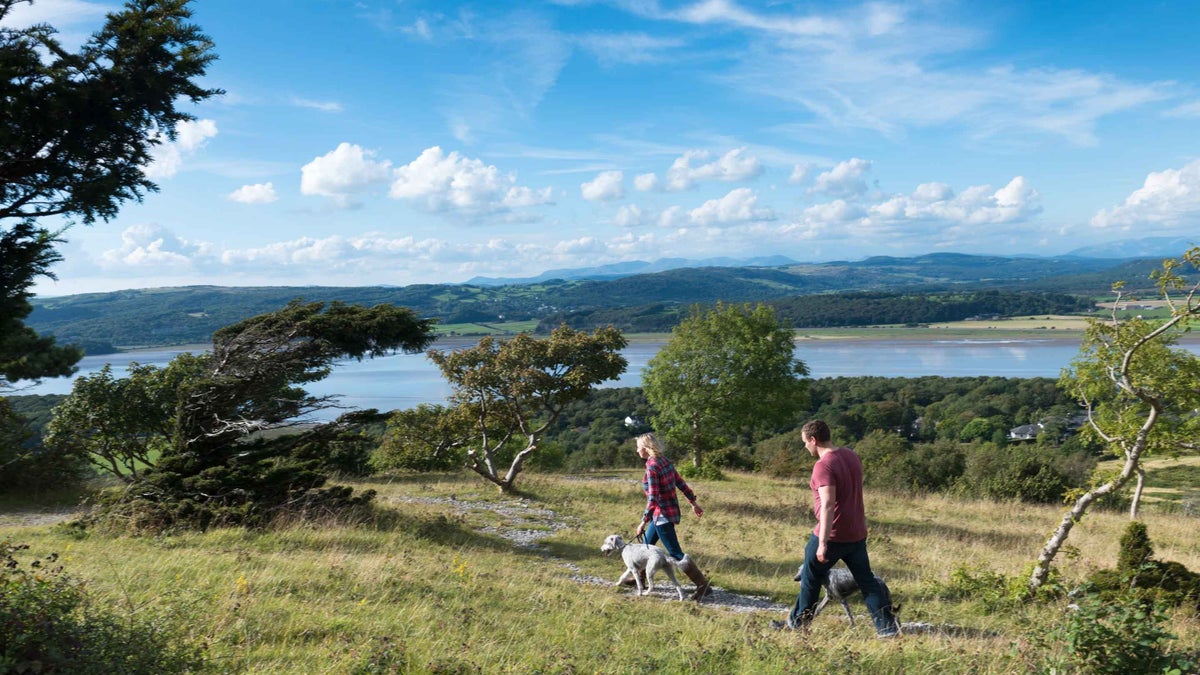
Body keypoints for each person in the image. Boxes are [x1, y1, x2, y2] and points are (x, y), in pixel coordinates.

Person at [780, 419, 899, 636]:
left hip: (833, 534)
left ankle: (797, 626)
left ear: (813, 440)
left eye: (805, 442)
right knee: (868, 583)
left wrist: (823, 543)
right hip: (856, 533)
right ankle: (888, 630)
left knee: (810, 581)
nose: (805, 446)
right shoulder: (851, 455)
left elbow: (827, 504)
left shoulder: (823, 466)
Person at [633, 432, 712, 600]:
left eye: (638, 447)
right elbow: (681, 483)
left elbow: (653, 497)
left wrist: (642, 521)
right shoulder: (665, 461)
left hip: (661, 515)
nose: (637, 450)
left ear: (646, 448)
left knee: (675, 553)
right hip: (662, 514)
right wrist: (693, 503)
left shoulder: (652, 466)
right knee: (646, 545)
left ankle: (703, 586)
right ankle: (638, 580)